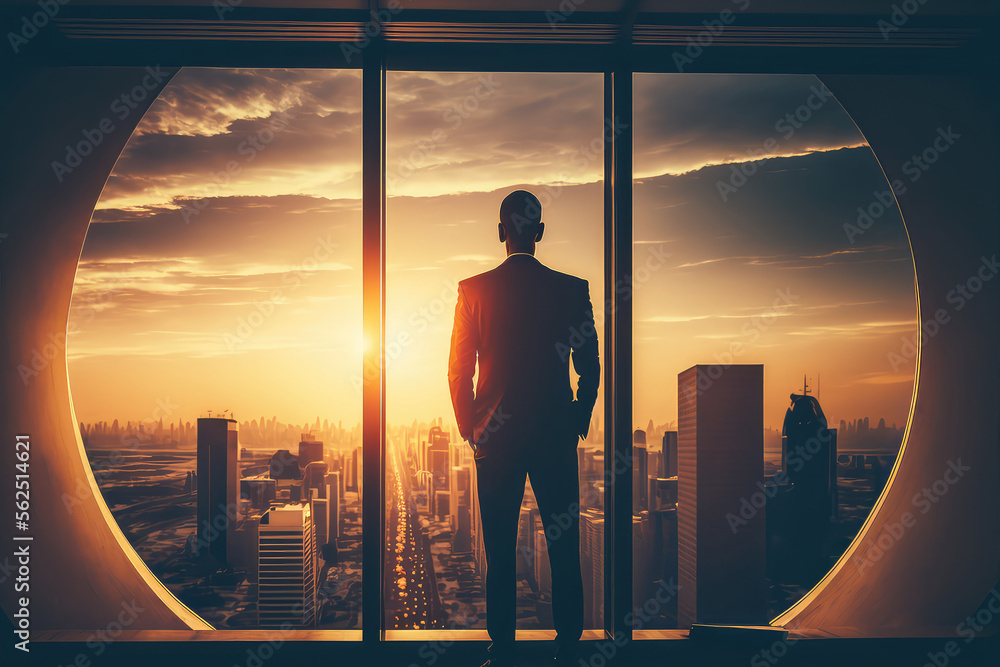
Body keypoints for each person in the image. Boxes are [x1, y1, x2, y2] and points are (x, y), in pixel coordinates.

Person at [448, 190, 600, 666]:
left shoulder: (473, 290)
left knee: (499, 550)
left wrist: (470, 427)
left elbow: (458, 370)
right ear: (539, 232)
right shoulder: (572, 289)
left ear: (501, 233)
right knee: (564, 545)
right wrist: (579, 415)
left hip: (496, 439)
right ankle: (569, 648)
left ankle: (504, 650)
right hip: (555, 435)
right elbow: (590, 363)